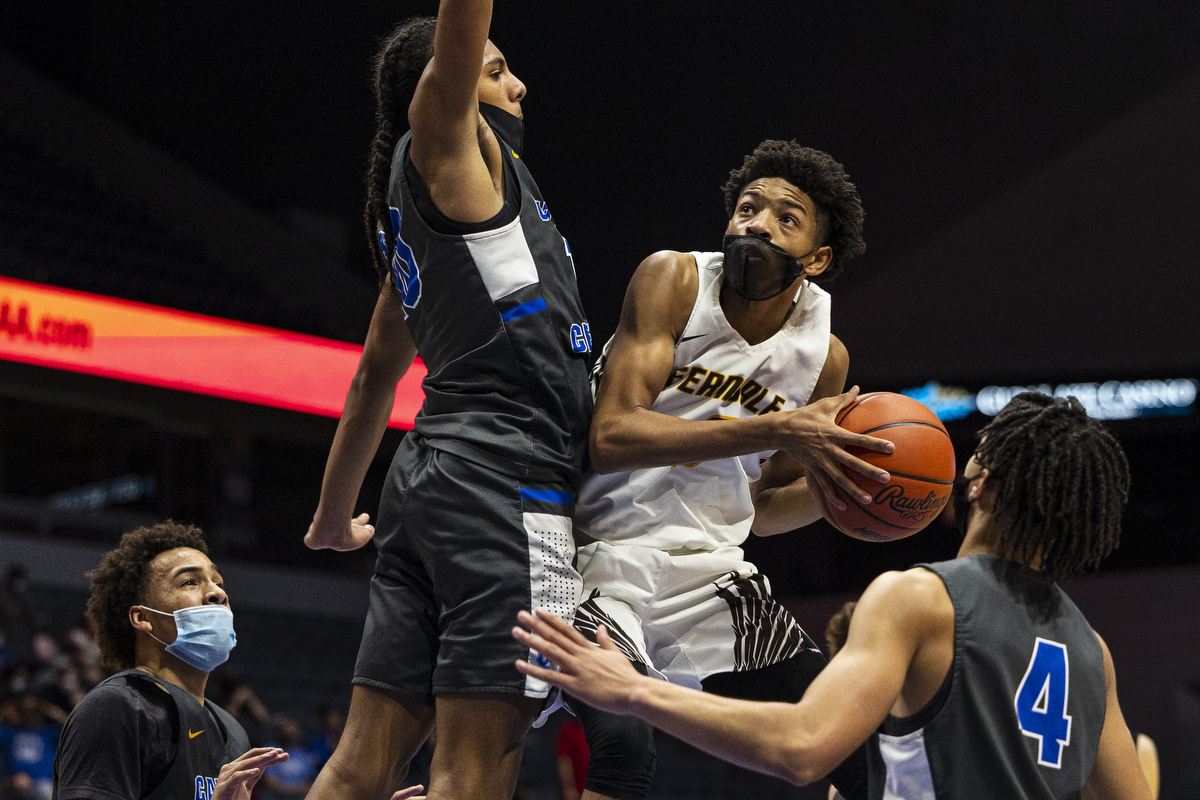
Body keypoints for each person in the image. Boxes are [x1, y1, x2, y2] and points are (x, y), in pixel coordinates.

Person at [515, 392, 1156, 799]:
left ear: (978, 483)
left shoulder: (921, 599)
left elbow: (802, 747)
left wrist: (632, 690)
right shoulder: (1090, 652)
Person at [302, 1, 593, 798]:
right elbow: (458, 33)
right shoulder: (449, 147)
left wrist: (332, 518)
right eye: (496, 69)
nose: (519, 84)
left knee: (363, 761)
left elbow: (371, 383)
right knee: (479, 760)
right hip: (508, 483)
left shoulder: (422, 229)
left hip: (426, 487)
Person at [563, 139, 889, 800]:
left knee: (848, 744)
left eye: (785, 218)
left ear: (818, 258)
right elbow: (611, 436)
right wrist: (775, 427)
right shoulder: (675, 279)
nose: (757, 224)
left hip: (708, 573)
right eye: (747, 208)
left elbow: (762, 509)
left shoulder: (823, 357)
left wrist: (840, 494)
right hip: (598, 554)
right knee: (624, 745)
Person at [52, 521, 289, 800]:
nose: (218, 593)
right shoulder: (117, 708)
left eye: (218, 582)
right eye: (189, 582)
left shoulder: (233, 732)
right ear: (143, 618)